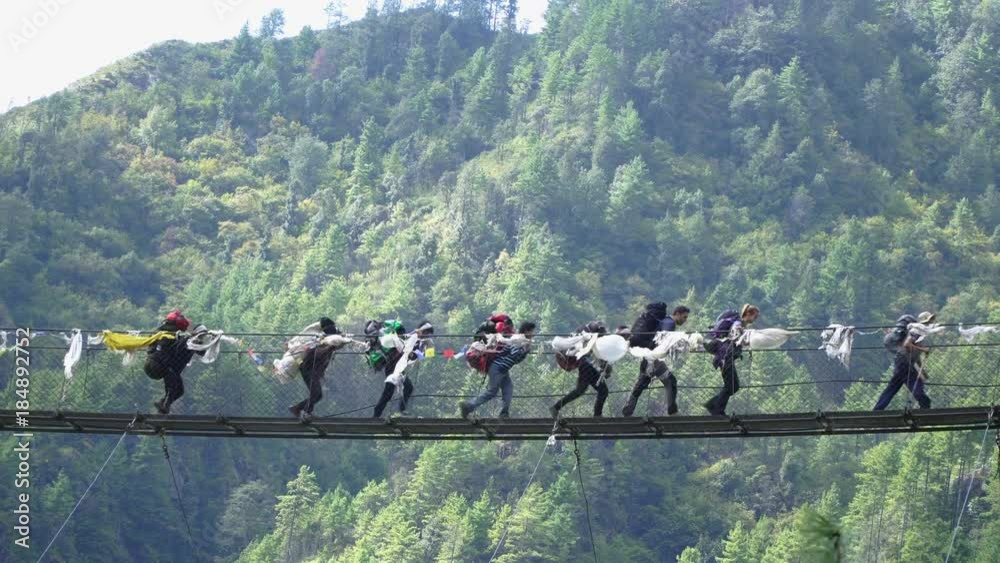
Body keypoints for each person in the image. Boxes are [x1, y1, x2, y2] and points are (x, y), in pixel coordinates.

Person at [622, 305, 690, 416]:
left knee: (642, 382)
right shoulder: (670, 323)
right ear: (677, 314)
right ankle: (673, 412)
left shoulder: (664, 321)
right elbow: (662, 339)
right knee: (670, 381)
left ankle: (627, 410)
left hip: (648, 356)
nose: (685, 320)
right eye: (684, 317)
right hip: (654, 358)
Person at [460, 321, 536, 419]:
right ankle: (469, 405)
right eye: (532, 331)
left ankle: (504, 413)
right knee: (492, 391)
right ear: (527, 331)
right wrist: (524, 350)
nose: (533, 334)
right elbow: (514, 355)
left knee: (508, 389)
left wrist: (525, 351)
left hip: (503, 369)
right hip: (498, 368)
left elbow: (512, 357)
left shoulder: (518, 340)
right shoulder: (519, 341)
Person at [144, 311, 205, 414]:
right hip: (162, 366)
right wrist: (198, 341)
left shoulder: (161, 332)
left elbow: (199, 350)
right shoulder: (173, 335)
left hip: (152, 365)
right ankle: (165, 405)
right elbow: (200, 350)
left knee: (178, 390)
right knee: (173, 386)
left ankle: (163, 404)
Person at [703, 304, 759, 416]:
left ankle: (713, 405)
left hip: (726, 357)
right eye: (755, 316)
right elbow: (734, 334)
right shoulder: (738, 323)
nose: (755, 319)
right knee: (731, 385)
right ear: (748, 314)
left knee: (733, 385)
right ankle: (716, 409)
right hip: (725, 357)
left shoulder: (739, 323)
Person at [551, 321, 612, 418]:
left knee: (581, 390)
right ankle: (597, 415)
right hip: (584, 364)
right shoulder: (591, 336)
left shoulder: (584, 331)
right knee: (602, 390)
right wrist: (607, 369)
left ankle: (556, 407)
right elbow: (599, 355)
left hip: (583, 363)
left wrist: (605, 368)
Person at [374, 321, 434, 418]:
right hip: (393, 366)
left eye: (429, 334)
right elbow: (407, 349)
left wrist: (429, 345)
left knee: (390, 392)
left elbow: (426, 355)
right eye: (426, 333)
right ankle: (398, 410)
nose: (427, 336)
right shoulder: (411, 336)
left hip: (398, 368)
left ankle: (378, 414)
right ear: (422, 330)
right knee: (400, 389)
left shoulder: (420, 341)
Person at [874, 312, 933, 410]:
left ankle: (877, 410)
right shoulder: (914, 333)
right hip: (904, 364)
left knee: (891, 389)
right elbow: (907, 345)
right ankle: (925, 407)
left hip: (900, 363)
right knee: (917, 386)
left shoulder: (907, 335)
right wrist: (924, 350)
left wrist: (923, 372)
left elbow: (914, 356)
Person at [289, 317, 342, 420]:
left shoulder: (328, 346)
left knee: (316, 394)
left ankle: (299, 409)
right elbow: (317, 355)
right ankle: (303, 412)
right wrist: (330, 348)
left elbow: (323, 363)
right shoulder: (321, 343)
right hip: (308, 370)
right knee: (317, 394)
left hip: (313, 371)